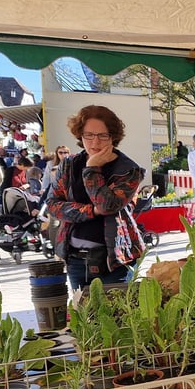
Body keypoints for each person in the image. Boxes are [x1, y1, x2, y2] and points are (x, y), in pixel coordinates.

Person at [49, 105, 146, 291]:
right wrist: (90, 211)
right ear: (80, 135)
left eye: (103, 136)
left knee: (115, 309)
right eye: (89, 135)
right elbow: (53, 205)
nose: (95, 142)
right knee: (82, 309)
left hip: (115, 261)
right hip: (76, 259)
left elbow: (107, 205)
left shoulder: (128, 170)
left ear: (113, 136)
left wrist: (92, 168)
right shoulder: (68, 165)